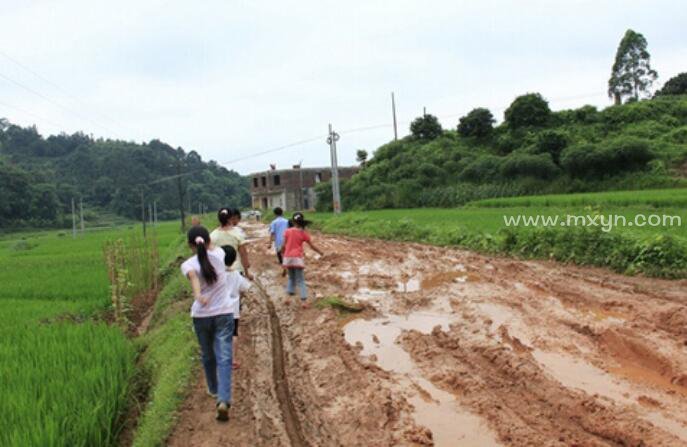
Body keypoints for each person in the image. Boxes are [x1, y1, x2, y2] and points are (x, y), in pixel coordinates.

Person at [180, 226, 236, 421]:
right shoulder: (220, 255)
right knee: (224, 356)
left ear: (189, 245)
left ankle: (213, 388)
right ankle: (223, 399)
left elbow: (194, 278)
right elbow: (219, 251)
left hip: (201, 316)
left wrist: (198, 295)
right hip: (223, 314)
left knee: (208, 354)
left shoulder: (188, 264)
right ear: (209, 241)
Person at [282, 212, 323, 308]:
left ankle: (287, 298)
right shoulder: (304, 233)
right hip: (297, 258)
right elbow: (312, 246)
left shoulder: (287, 231)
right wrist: (320, 252)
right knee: (300, 280)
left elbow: (283, 246)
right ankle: (304, 302)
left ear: (293, 221)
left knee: (291, 278)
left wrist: (283, 257)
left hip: (287, 258)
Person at [221, 245, 251, 370]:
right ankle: (232, 359)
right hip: (233, 310)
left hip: (217, 309)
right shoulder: (236, 275)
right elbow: (245, 288)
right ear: (234, 260)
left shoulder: (216, 275)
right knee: (233, 334)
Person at [210, 208, 253, 279]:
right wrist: (247, 273)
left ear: (219, 219)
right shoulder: (238, 234)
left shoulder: (212, 236)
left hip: (219, 272)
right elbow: (243, 255)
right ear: (230, 219)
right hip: (236, 271)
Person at [268, 207, 289, 275]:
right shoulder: (287, 221)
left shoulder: (274, 222)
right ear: (282, 213)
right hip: (287, 241)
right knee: (287, 254)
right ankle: (289, 267)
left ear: (274, 214)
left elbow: (272, 233)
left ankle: (284, 267)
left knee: (280, 255)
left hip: (278, 242)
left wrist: (270, 243)